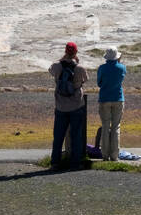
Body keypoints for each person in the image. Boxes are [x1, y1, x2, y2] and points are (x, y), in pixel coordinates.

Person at [49, 42, 89, 170]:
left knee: (58, 135)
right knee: (76, 135)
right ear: (76, 52)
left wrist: (62, 59)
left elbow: (50, 70)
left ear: (65, 51)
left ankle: (55, 162)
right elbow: (86, 79)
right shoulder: (80, 68)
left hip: (61, 105)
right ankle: (75, 163)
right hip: (76, 105)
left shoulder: (57, 66)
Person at [96, 47, 126, 162]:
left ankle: (105, 155)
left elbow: (99, 83)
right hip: (118, 98)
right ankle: (114, 155)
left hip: (104, 99)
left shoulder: (102, 68)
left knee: (105, 126)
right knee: (115, 126)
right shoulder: (122, 68)